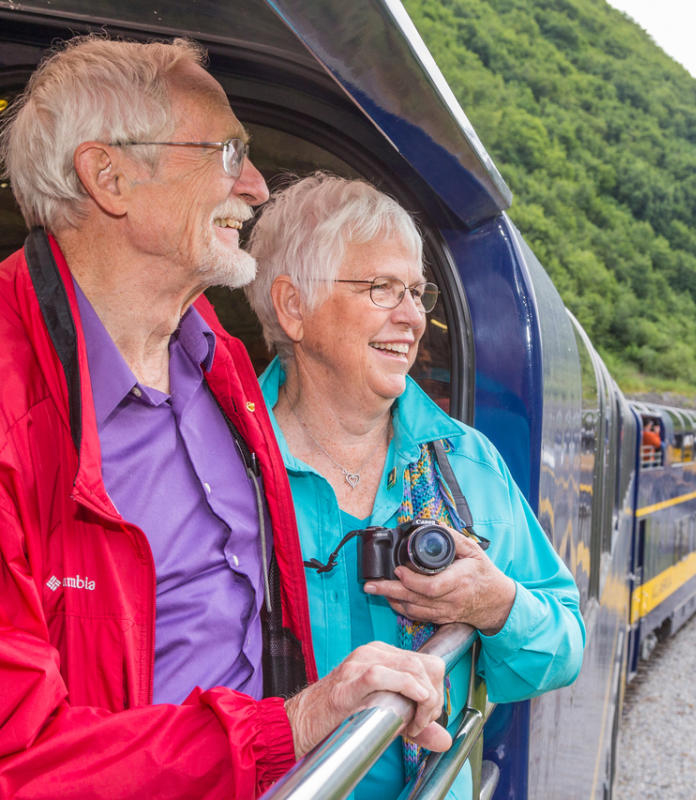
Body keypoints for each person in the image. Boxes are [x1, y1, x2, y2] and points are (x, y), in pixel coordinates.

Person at [0, 36, 448, 799]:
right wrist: (292, 727)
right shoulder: (16, 401)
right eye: (226, 152)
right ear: (109, 176)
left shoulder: (219, 366)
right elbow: (19, 756)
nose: (256, 183)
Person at [244, 173, 585, 800]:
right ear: (293, 307)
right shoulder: (221, 463)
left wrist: (496, 604)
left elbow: (566, 644)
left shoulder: (465, 464)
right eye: (381, 289)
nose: (413, 319)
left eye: (416, 292)